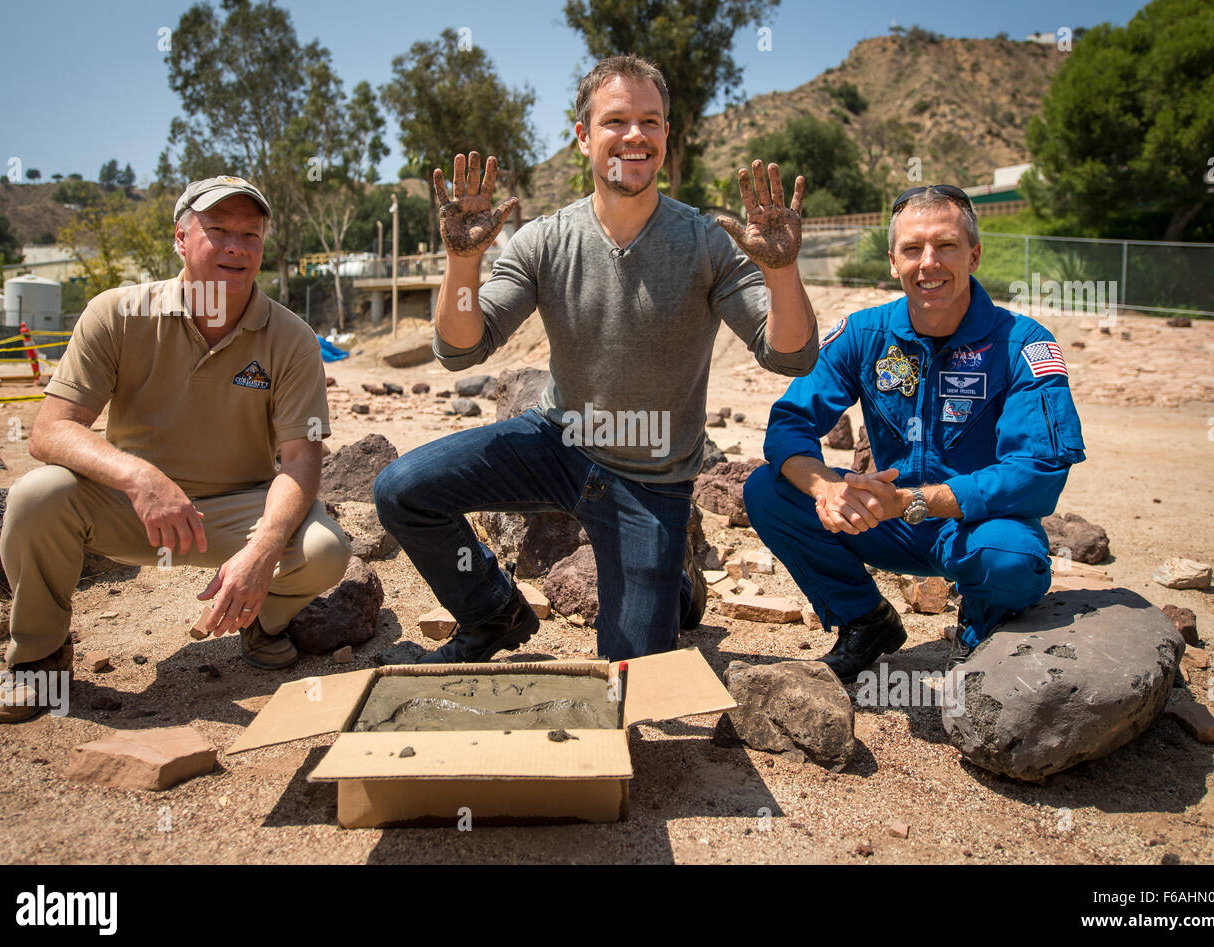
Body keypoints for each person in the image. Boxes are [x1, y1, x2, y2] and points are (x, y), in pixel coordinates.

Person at [374, 55, 819, 663]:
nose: (635, 135)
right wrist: (462, 261)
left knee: (633, 680)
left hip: (652, 477)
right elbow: (460, 349)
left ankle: (671, 573)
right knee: (402, 489)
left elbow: (789, 355)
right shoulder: (546, 240)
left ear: (665, 136)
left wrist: (783, 271)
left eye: (651, 121)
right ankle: (495, 613)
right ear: (583, 136)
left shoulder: (707, 242)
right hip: (559, 442)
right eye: (616, 120)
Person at [0, 175, 351, 723]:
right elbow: (49, 431)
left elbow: (300, 460)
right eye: (217, 230)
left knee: (325, 550)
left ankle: (261, 619)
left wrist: (263, 547)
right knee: (37, 496)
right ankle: (39, 657)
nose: (235, 247)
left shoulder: (290, 337)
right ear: (180, 237)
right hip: (128, 509)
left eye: (251, 234)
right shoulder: (117, 313)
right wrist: (139, 478)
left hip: (234, 510)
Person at [743, 184, 1086, 679]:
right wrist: (829, 490)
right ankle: (866, 621)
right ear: (892, 261)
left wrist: (914, 502)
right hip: (885, 520)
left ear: (974, 255)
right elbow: (789, 423)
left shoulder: (1023, 343)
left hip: (971, 528)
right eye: (912, 249)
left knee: (1013, 560)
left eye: (945, 245)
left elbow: (1038, 472)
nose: (929, 263)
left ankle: (982, 627)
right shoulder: (865, 334)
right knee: (767, 490)